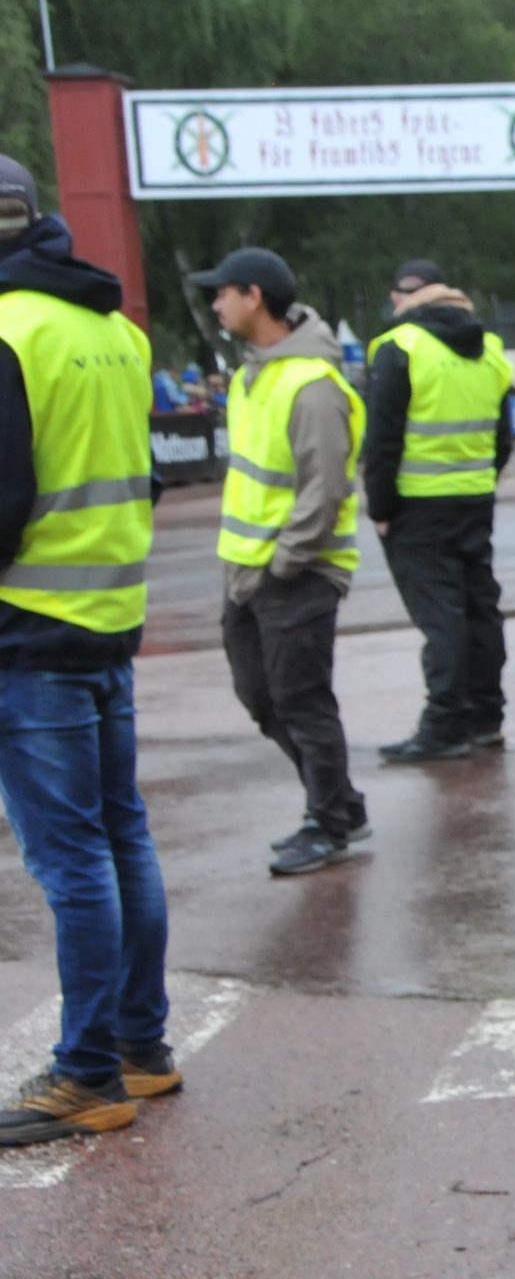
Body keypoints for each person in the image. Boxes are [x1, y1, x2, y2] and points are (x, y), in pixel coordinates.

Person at [0, 155, 178, 1145]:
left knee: (72, 858)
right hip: (105, 615)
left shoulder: (6, 332)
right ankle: (142, 1049)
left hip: (25, 627)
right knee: (121, 836)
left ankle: (86, 1071)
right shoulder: (110, 327)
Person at [190, 247, 369, 876]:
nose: (216, 304)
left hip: (295, 574)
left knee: (301, 700)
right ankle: (341, 801)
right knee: (260, 695)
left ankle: (328, 820)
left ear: (253, 297)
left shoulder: (312, 385)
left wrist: (283, 566)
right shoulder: (250, 377)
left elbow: (324, 495)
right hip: (247, 570)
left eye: (222, 293)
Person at [364, 259, 513, 763]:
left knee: (442, 616)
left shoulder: (399, 348)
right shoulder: (489, 350)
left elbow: (382, 438)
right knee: (478, 607)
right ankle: (487, 716)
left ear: (406, 300)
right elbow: (502, 436)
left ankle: (446, 722)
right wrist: (481, 478)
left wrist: (380, 505)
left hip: (416, 505)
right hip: (473, 496)